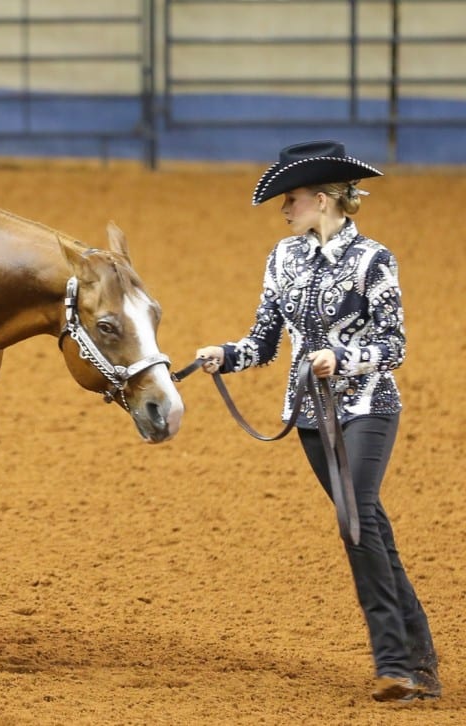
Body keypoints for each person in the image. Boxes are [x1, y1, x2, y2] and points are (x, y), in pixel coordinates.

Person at [195, 140, 439, 702]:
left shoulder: (374, 259)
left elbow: (394, 344)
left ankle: (394, 662)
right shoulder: (282, 258)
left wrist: (342, 359)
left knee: (354, 519)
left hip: (367, 407)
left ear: (326, 200)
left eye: (293, 198)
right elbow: (263, 341)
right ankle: (422, 661)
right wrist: (225, 356)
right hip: (309, 417)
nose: (285, 210)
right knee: (371, 528)